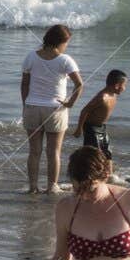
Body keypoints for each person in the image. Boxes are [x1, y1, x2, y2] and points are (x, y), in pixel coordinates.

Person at [21, 24, 82, 193]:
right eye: (66, 42)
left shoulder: (31, 56)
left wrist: (25, 104)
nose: (66, 46)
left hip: (33, 107)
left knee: (34, 151)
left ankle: (33, 187)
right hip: (55, 109)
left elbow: (24, 84)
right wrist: (70, 103)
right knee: (53, 151)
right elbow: (79, 84)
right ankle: (52, 186)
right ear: (61, 42)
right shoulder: (65, 60)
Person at [72, 69, 127, 160]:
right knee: (94, 156)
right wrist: (79, 129)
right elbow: (84, 111)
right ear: (117, 86)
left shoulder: (113, 95)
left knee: (107, 154)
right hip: (91, 129)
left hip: (102, 127)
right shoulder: (102, 97)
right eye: (124, 85)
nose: (124, 88)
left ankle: (108, 169)